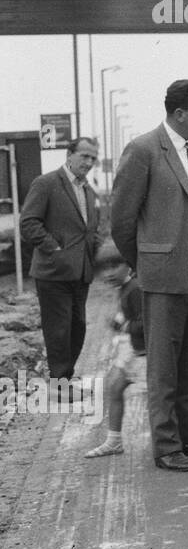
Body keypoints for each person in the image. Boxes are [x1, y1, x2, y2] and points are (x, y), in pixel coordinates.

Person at [110, 80, 188, 471]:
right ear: (179, 113)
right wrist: (146, 261)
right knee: (164, 362)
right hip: (164, 271)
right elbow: (122, 220)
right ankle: (166, 446)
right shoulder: (144, 149)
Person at [19, 136, 102, 386]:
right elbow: (29, 223)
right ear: (70, 155)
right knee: (59, 332)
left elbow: (90, 231)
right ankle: (60, 386)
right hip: (53, 274)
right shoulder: (46, 183)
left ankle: (65, 379)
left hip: (81, 274)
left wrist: (101, 255)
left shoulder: (88, 191)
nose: (88, 162)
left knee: (78, 329)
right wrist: (55, 249)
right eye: (84, 156)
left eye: (93, 158)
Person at [84, 244, 145, 458]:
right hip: (132, 350)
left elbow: (145, 323)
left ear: (128, 264)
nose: (108, 273)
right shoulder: (125, 288)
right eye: (103, 268)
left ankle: (172, 441)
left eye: (114, 266)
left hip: (143, 354)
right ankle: (114, 441)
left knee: (159, 400)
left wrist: (124, 326)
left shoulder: (135, 288)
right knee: (114, 388)